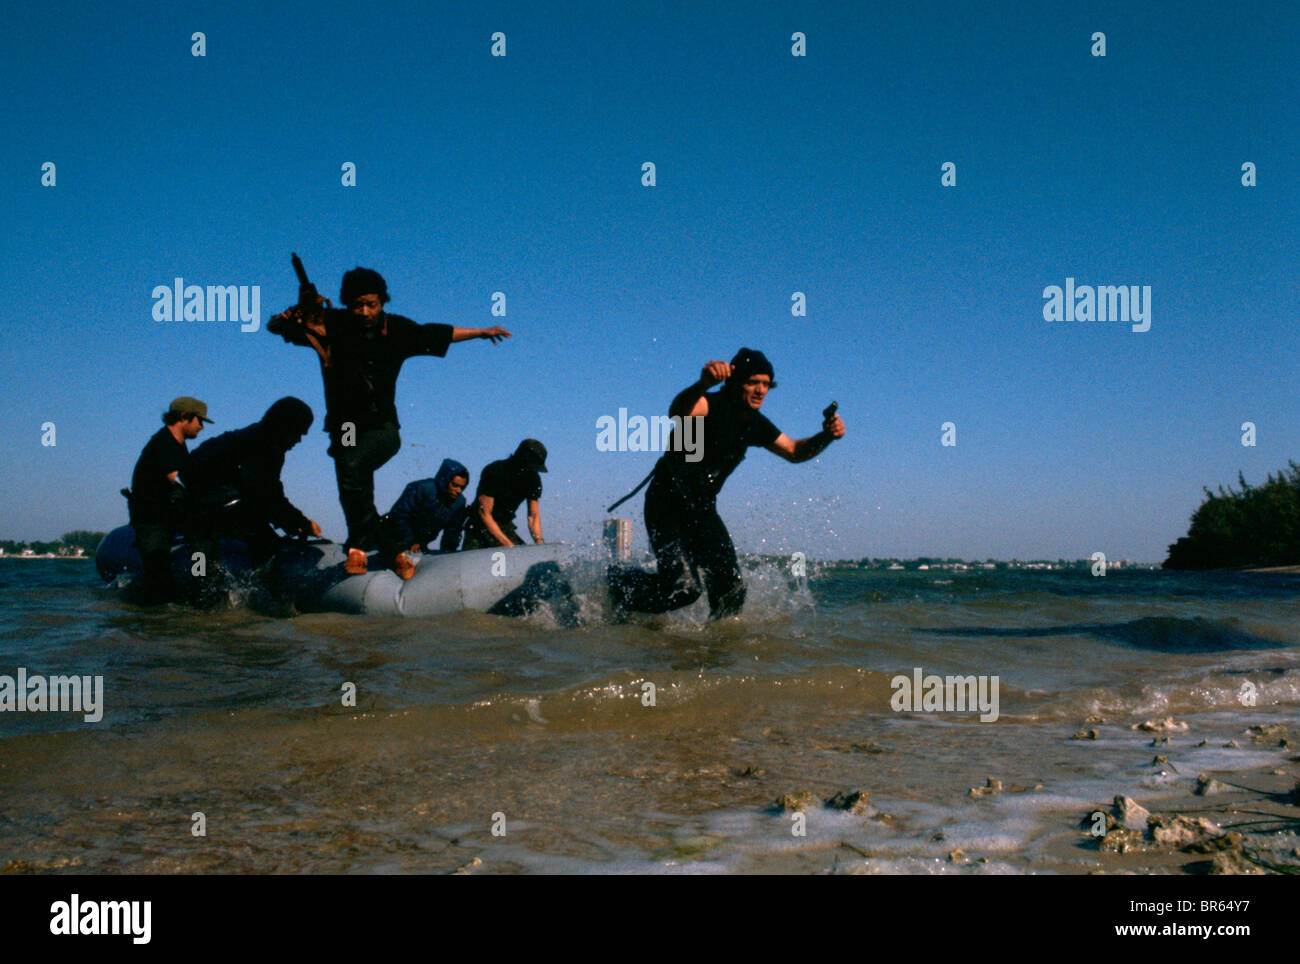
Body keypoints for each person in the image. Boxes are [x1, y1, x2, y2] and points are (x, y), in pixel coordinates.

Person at [267, 266, 510, 575]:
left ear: (382, 301)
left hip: (382, 427)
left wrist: (481, 332)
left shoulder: (396, 330)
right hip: (346, 426)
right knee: (351, 475)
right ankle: (375, 547)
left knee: (352, 468)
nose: (365, 311)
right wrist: (288, 317)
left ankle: (363, 545)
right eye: (357, 305)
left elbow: (436, 333)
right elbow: (278, 329)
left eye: (372, 304)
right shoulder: (333, 323)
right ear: (346, 303)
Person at [607, 348, 845, 620]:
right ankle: (619, 585)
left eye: (766, 384)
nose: (760, 390)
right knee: (683, 589)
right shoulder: (709, 405)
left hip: (703, 511)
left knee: (731, 592)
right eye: (753, 382)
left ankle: (715, 655)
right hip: (666, 506)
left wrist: (825, 437)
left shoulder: (755, 423)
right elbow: (678, 411)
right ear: (734, 382)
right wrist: (703, 384)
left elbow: (792, 451)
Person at [182, 397, 321, 568]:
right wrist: (299, 522)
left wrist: (293, 522)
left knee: (257, 530)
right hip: (208, 501)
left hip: (212, 495)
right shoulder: (264, 444)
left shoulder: (259, 438)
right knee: (265, 544)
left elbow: (268, 491)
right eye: (299, 432)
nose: (299, 440)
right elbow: (265, 493)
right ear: (286, 427)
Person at [124, 396, 211, 603]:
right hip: (152, 520)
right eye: (199, 421)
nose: (201, 427)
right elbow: (181, 480)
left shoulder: (178, 445)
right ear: (184, 417)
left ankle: (201, 581)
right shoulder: (164, 444)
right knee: (158, 578)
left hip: (170, 514)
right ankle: (153, 622)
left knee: (201, 540)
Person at [378, 458, 470, 580]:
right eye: (455, 485)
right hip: (390, 534)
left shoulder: (459, 503)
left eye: (462, 487)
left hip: (419, 544)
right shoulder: (421, 488)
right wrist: (410, 540)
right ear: (445, 481)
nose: (458, 491)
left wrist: (447, 556)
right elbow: (399, 515)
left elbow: (453, 531)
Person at [461, 440, 547, 550]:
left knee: (521, 556)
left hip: (504, 525)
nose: (532, 471)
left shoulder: (534, 480)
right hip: (479, 525)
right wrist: (508, 545)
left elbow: (533, 517)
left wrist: (540, 543)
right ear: (521, 461)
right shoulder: (494, 471)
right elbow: (484, 513)